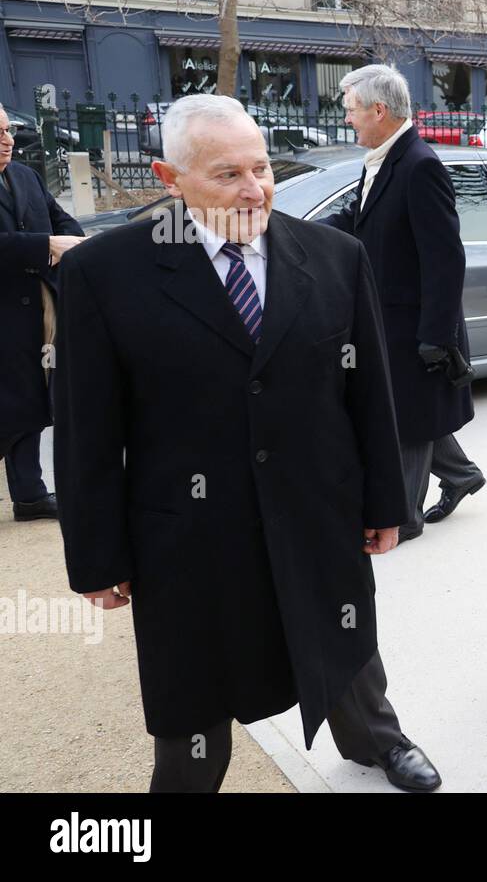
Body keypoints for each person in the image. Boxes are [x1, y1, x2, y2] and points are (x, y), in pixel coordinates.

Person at [54, 94, 441, 791]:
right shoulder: (104, 274)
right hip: (188, 540)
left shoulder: (335, 257)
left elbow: (369, 399)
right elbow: (88, 429)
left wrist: (388, 501)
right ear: (169, 179)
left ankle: (376, 739)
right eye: (227, 174)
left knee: (342, 642)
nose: (254, 190)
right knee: (195, 705)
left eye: (260, 168)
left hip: (318, 515)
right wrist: (95, 555)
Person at [318, 64, 482, 543]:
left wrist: (436, 337)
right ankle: (462, 474)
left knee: (406, 419)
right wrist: (301, 232)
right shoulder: (384, 159)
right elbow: (360, 217)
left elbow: (446, 259)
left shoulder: (419, 165)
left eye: (350, 111)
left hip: (418, 326)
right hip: (387, 319)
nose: (347, 120)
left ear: (378, 110)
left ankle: (405, 517)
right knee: (411, 409)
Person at [0, 102, 84, 521]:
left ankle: (30, 494)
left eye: (8, 130)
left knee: (31, 394)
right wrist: (44, 247)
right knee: (12, 399)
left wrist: (66, 242)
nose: (7, 140)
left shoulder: (25, 175)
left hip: (34, 304)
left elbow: (62, 221)